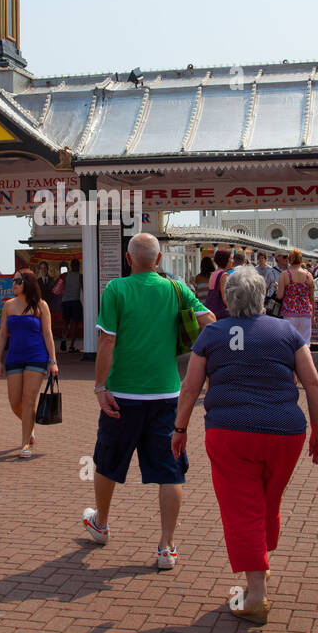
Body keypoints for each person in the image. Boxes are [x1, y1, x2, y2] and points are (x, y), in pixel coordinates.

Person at [175, 268, 318, 624]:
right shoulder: (286, 331)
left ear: (228, 298)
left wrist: (179, 428)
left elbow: (191, 388)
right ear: (262, 296)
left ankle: (255, 593)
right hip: (285, 432)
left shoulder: (211, 334)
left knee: (242, 507)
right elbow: (313, 384)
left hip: (230, 433)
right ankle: (261, 563)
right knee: (267, 500)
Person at [83, 233, 215, 569]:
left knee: (108, 460)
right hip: (167, 394)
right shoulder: (176, 289)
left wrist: (100, 386)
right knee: (170, 471)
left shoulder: (116, 290)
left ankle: (101, 522)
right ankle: (166, 547)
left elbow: (107, 341)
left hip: (122, 395)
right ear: (158, 260)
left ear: (128, 260)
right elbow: (209, 321)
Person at [0, 269, 59, 458]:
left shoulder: (41, 305)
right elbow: (3, 334)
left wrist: (53, 361)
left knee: (29, 400)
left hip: (36, 356)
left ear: (28, 283)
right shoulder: (8, 306)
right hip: (14, 357)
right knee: (15, 401)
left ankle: (25, 444)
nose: (13, 284)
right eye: (13, 281)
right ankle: (29, 426)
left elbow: (47, 334)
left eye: (18, 281)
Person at [276, 249, 315, 344]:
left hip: (289, 312)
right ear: (301, 260)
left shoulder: (285, 274)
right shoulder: (308, 275)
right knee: (305, 344)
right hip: (306, 312)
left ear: (289, 260)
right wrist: (313, 314)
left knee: (290, 343)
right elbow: (312, 297)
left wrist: (277, 288)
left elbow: (280, 296)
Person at [59, 258, 83, 352]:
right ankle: (71, 346)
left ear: (70, 266)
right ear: (79, 266)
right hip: (75, 302)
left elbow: (57, 288)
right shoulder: (80, 276)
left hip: (65, 301)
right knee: (75, 325)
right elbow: (85, 289)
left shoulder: (64, 275)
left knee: (65, 323)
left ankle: (63, 339)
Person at [205, 247, 233, 320]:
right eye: (231, 258)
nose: (232, 261)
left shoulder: (213, 274)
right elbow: (225, 298)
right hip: (221, 314)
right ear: (225, 260)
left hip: (212, 311)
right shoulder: (224, 275)